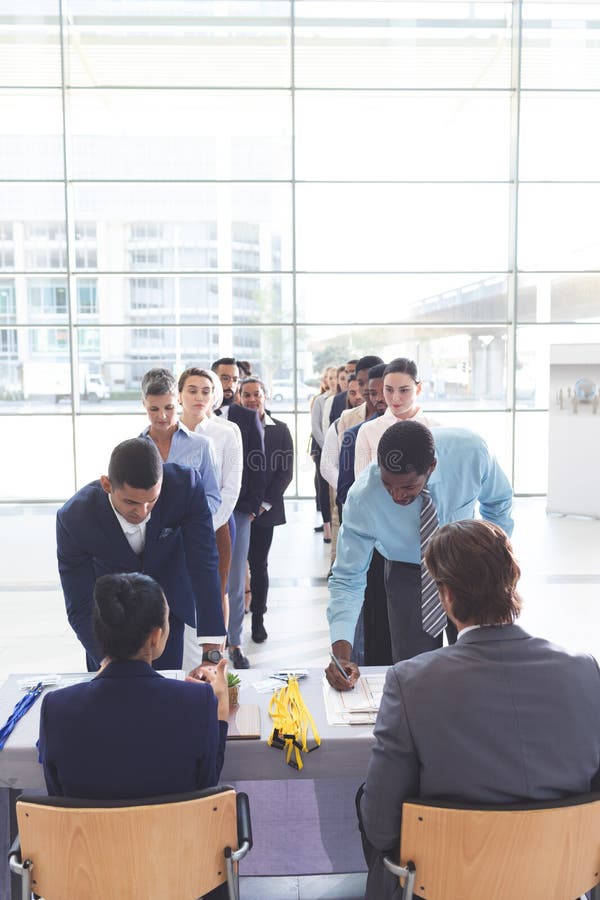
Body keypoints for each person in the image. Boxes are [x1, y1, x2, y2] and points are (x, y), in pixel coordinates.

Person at [357, 521, 600, 900]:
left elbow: (381, 827)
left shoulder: (411, 682)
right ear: (513, 581)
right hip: (561, 882)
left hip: (449, 885)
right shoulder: (584, 670)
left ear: (447, 596)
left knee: (368, 801)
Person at [39, 572, 230, 900]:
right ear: (156, 637)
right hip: (178, 873)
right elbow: (207, 784)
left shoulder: (56, 707)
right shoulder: (196, 702)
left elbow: (58, 795)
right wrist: (220, 709)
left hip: (87, 877)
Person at [325, 420, 514, 684]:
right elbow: (348, 579)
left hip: (469, 568)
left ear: (431, 467)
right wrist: (341, 656)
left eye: (407, 487)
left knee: (484, 666)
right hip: (407, 572)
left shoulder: (471, 453)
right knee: (415, 673)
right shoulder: (363, 498)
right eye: (388, 485)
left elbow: (499, 502)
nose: (396, 495)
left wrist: (492, 561)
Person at [57, 438, 224, 671]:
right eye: (131, 502)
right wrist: (106, 660)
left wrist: (211, 653)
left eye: (151, 501)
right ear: (107, 485)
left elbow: (203, 564)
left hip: (165, 619)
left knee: (165, 686)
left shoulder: (185, 487)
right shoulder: (75, 517)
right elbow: (79, 602)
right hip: (108, 625)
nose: (142, 512)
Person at [178, 366, 243, 647]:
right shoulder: (168, 431)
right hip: (174, 527)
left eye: (205, 391)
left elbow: (231, 486)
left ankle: (216, 656)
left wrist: (207, 525)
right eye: (192, 391)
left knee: (216, 592)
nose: (199, 397)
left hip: (217, 525)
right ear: (179, 394)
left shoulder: (226, 432)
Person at [211, 357, 266, 668]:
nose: (229, 384)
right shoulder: (195, 418)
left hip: (239, 511)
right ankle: (209, 642)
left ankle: (234, 643)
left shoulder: (246, 417)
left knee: (234, 581)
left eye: (233, 378)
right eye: (223, 378)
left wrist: (252, 507)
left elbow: (258, 461)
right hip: (201, 512)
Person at [239, 376, 294, 643]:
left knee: (258, 565)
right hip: (235, 511)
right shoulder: (231, 428)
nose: (252, 399)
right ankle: (231, 625)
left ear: (265, 397)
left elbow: (285, 472)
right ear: (239, 398)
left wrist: (261, 506)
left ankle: (258, 618)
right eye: (246, 395)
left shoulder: (280, 430)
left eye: (256, 394)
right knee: (232, 569)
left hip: (264, 512)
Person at [139, 367, 221, 516]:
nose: (162, 416)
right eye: (154, 409)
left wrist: (192, 520)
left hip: (191, 527)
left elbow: (213, 497)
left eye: (169, 408)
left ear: (178, 400)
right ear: (144, 404)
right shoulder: (134, 450)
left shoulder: (202, 445)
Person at [354, 357, 439, 477]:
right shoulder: (367, 431)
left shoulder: (437, 429)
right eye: (389, 390)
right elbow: (361, 481)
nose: (395, 398)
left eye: (404, 390)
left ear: (418, 389)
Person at [337, 355, 384, 443]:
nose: (366, 388)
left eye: (370, 382)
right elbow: (343, 448)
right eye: (361, 383)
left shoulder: (395, 415)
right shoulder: (347, 417)